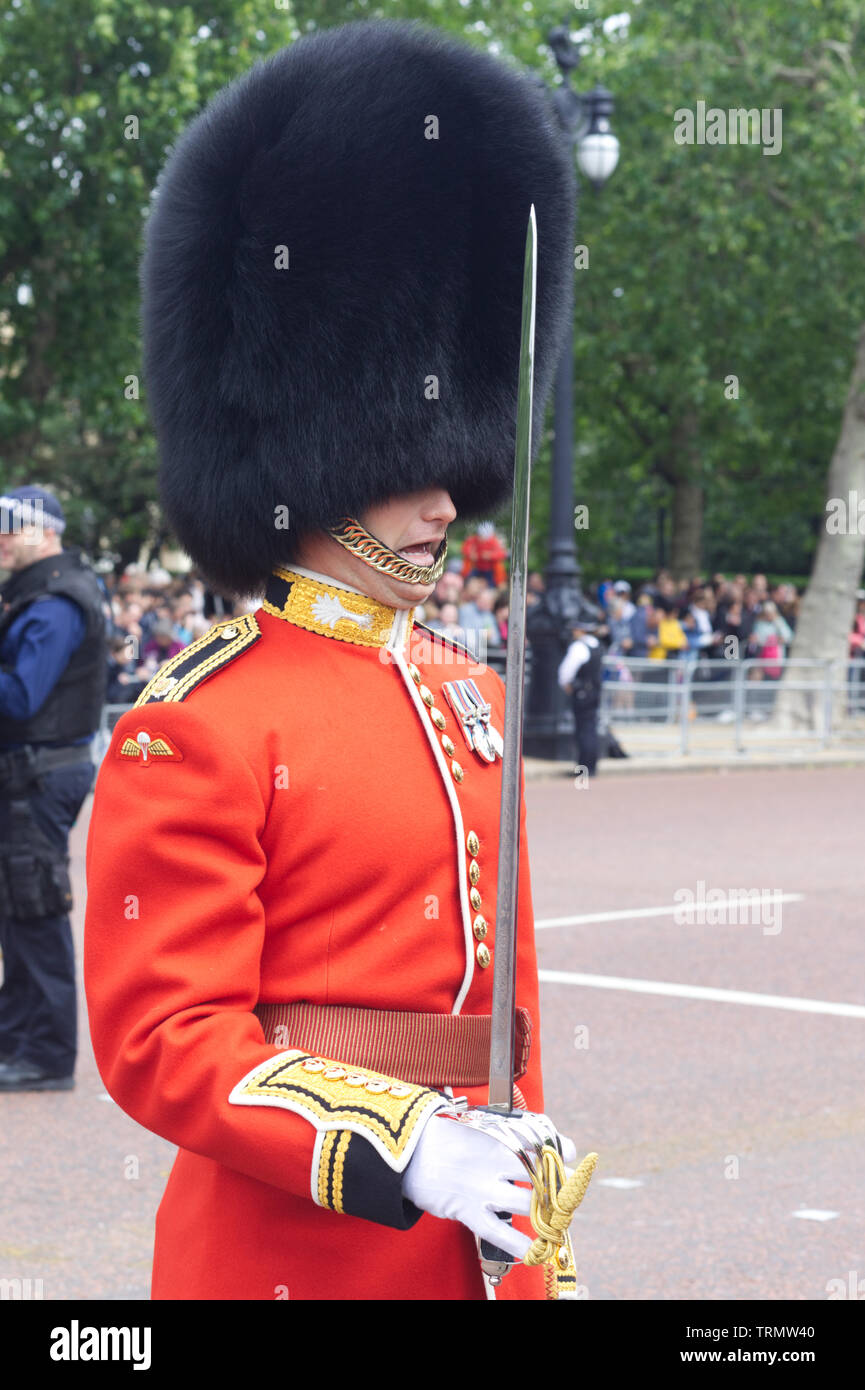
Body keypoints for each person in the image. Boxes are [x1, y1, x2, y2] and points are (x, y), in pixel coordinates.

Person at [83, 20, 582, 1302]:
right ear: (323, 468)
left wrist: (512, 1144)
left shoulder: (467, 694)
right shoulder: (200, 717)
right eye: (417, 468)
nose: (447, 504)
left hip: (485, 1235)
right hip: (297, 1248)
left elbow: (499, 1004)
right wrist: (400, 1141)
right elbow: (162, 1035)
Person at [0, 486, 106, 1090]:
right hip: (33, 772)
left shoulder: (55, 600)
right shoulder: (44, 592)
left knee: (35, 907)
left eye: (10, 530)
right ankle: (20, 1040)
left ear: (41, 531)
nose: (2, 542)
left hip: (37, 773)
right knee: (20, 909)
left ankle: (45, 1053)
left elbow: (20, 697)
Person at [557, 606, 604, 777]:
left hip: (581, 692)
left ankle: (583, 767)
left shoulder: (579, 647)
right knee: (591, 728)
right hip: (595, 692)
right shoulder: (597, 645)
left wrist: (567, 686)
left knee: (583, 730)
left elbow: (565, 673)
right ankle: (591, 766)